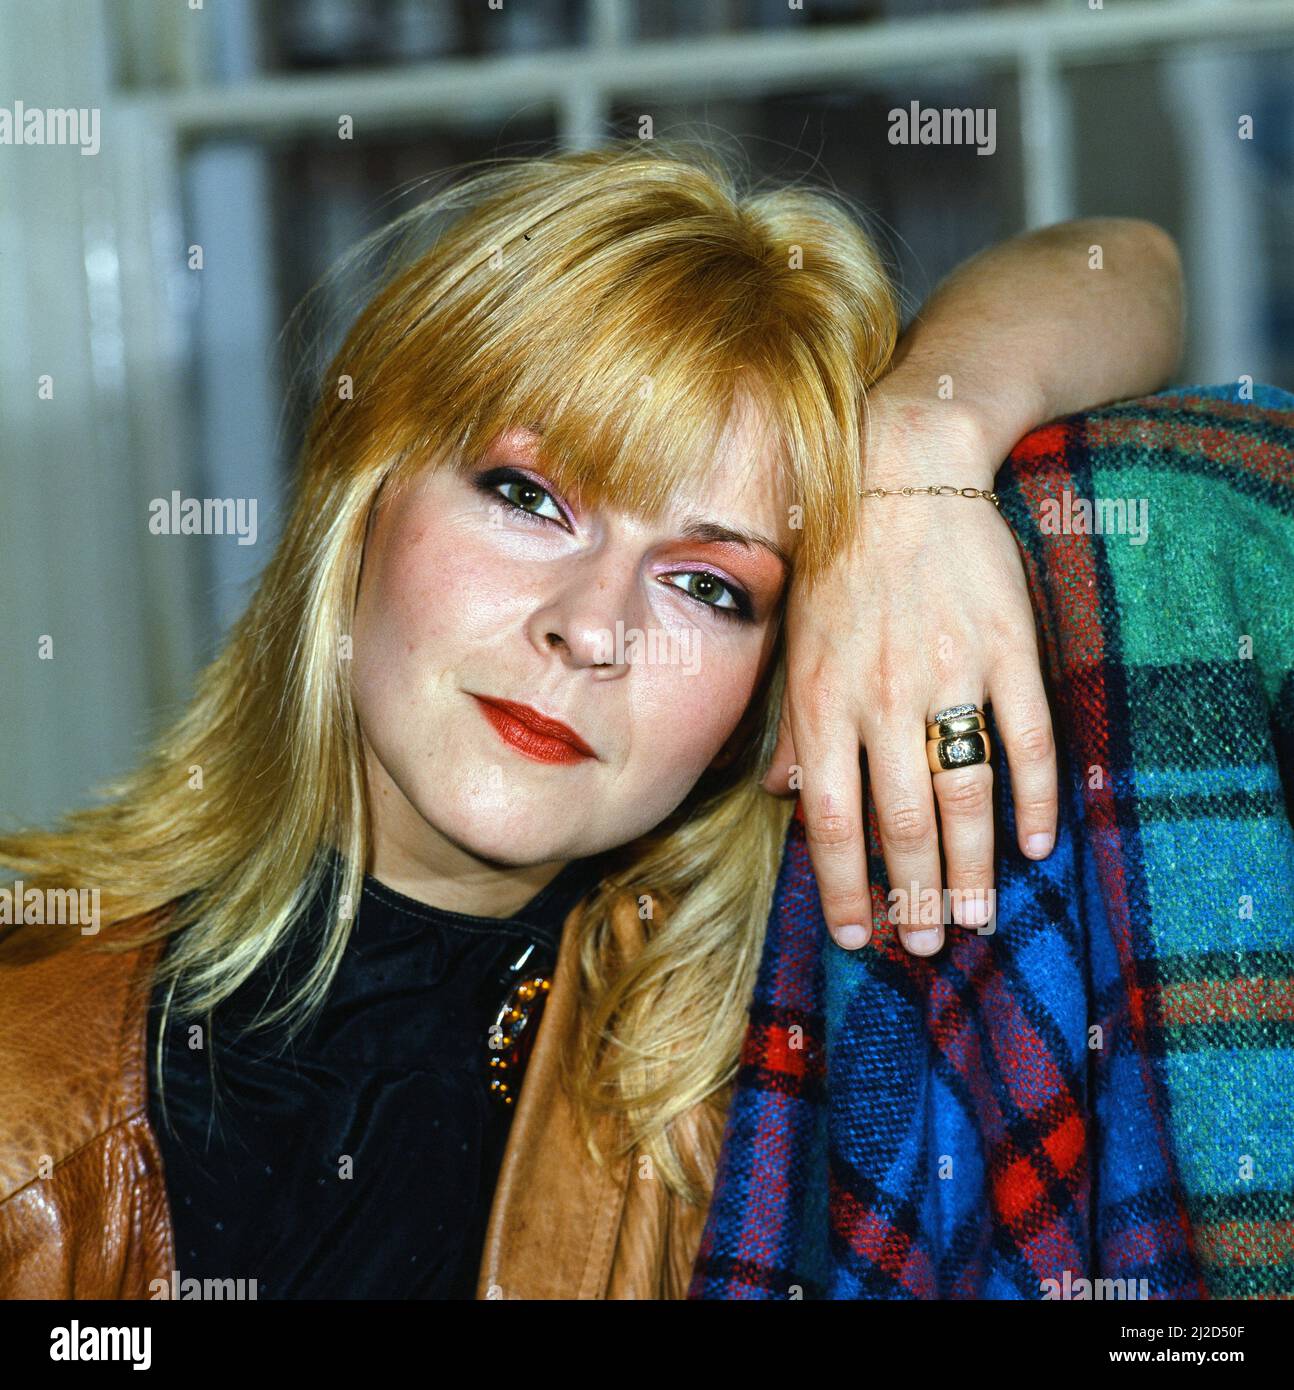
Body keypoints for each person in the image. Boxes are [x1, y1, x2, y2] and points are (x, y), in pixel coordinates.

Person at [0, 138, 1184, 1299]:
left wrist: (915, 455)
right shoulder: (34, 1076)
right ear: (358, 508)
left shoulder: (782, 1047)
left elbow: (1128, 265)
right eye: (529, 496)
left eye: (709, 584)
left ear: (768, 692)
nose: (593, 627)